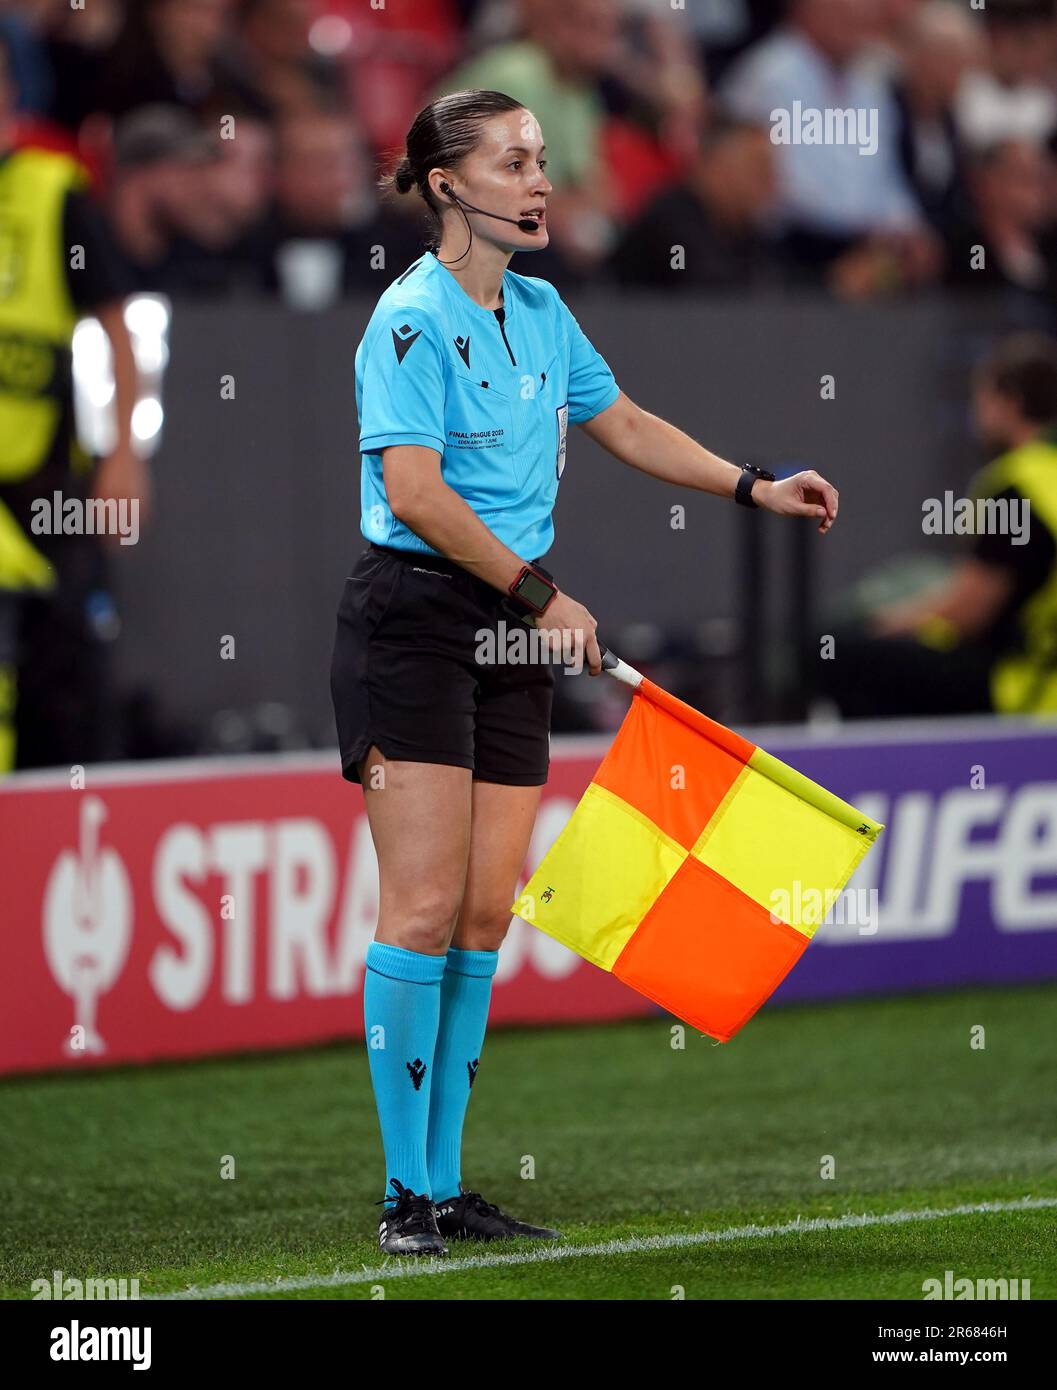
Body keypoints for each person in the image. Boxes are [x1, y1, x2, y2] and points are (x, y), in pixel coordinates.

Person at [329, 88, 839, 1257]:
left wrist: (752, 484)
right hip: (416, 620)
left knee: (483, 910)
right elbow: (413, 495)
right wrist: (537, 593)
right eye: (514, 162)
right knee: (416, 905)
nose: (542, 181)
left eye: (543, 160)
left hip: (513, 619)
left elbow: (626, 424)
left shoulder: (543, 309)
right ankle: (406, 1196)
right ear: (448, 186)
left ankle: (447, 1185)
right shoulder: (405, 322)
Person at [0, 35, 144, 771]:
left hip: (41, 476)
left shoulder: (51, 189)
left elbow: (119, 321)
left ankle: (72, 810)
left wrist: (124, 455)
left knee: (70, 660)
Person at [820, 333, 1057, 718]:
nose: (975, 413)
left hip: (1023, 688)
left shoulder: (1016, 484)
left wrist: (890, 623)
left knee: (841, 653)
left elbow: (967, 614)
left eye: (981, 398)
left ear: (1007, 403)